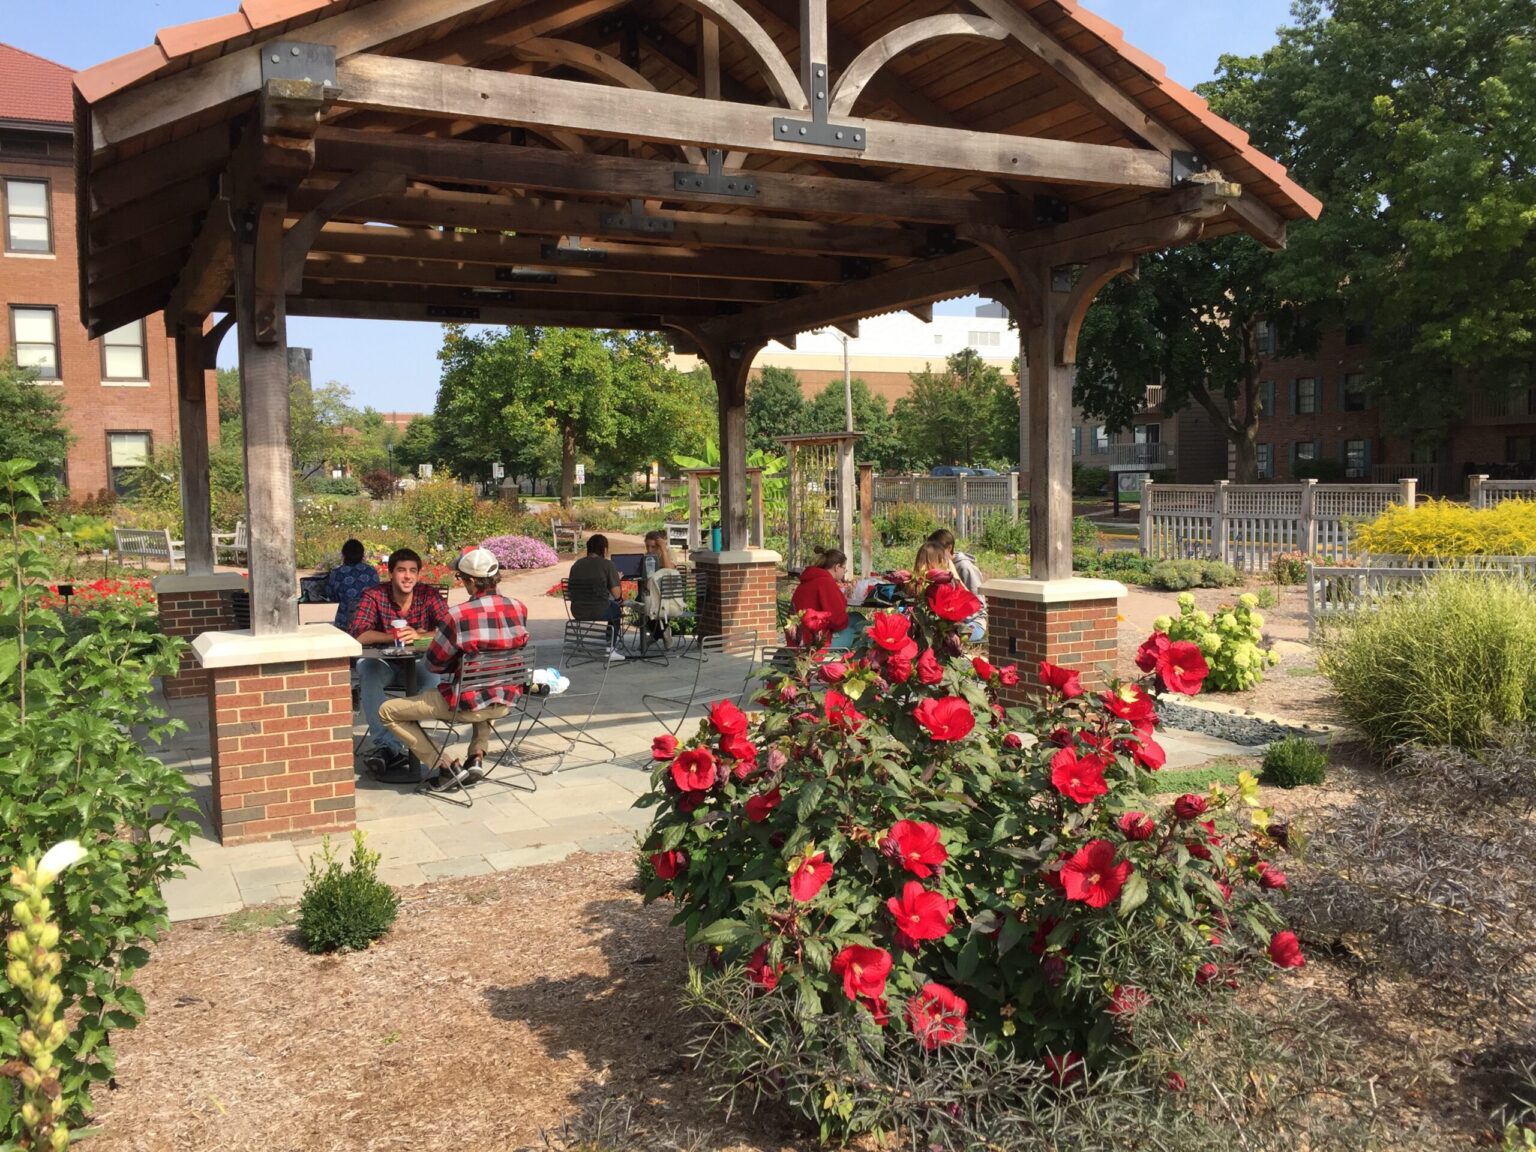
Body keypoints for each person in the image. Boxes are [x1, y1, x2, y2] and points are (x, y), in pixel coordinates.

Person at [379, 547, 529, 790]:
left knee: (387, 711)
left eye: (461, 578)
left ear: (471, 581)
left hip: (466, 704)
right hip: (506, 699)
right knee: (488, 686)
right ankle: (476, 756)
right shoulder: (519, 608)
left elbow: (433, 665)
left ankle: (445, 766)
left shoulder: (458, 615)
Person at [349, 547, 450, 775]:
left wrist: (419, 636)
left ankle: (391, 747)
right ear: (390, 573)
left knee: (432, 676)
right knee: (368, 670)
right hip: (383, 663)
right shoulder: (374, 595)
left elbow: (450, 629)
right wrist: (394, 636)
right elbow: (359, 634)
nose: (407, 576)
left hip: (417, 664)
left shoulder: (428, 595)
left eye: (413, 571)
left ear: (418, 574)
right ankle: (390, 745)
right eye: (401, 570)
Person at [567, 533, 627, 662]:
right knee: (616, 609)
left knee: (611, 606)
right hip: (599, 610)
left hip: (577, 611)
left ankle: (607, 647)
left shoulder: (576, 565)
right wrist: (617, 579)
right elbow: (617, 595)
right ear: (604, 549)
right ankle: (610, 649)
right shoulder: (607, 564)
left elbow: (570, 592)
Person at [928, 528, 988, 641]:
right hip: (951, 620)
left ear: (949, 548)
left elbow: (978, 604)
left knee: (948, 638)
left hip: (973, 622)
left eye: (936, 550)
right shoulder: (939, 566)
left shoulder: (965, 568)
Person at [790, 546, 852, 647]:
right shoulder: (825, 582)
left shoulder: (811, 578)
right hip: (814, 641)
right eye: (844, 569)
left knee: (856, 617)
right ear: (837, 567)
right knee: (861, 631)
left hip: (797, 637)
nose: (844, 573)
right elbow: (837, 621)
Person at [639, 530, 685, 648]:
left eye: (653, 547)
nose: (649, 550)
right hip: (652, 593)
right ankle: (663, 632)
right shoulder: (647, 556)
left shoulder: (669, 553)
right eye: (647, 546)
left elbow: (670, 570)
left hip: (668, 595)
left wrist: (663, 550)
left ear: (660, 545)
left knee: (648, 605)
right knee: (640, 602)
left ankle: (655, 636)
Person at [321, 538, 379, 630]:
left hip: (345, 621)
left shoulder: (337, 573)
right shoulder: (371, 571)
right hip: (370, 618)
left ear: (344, 554)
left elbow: (332, 595)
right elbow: (378, 592)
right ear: (362, 554)